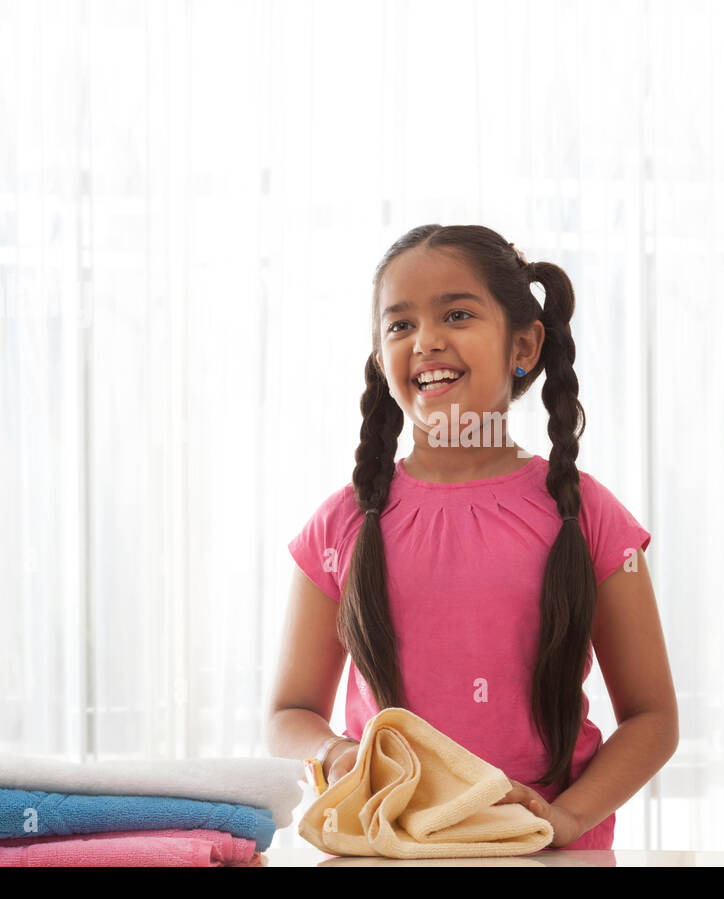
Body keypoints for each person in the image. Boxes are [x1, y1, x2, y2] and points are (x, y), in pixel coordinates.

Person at [266, 224, 678, 850]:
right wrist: (337, 752)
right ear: (381, 359)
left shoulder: (588, 515)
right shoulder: (339, 524)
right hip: (386, 853)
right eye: (400, 325)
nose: (427, 341)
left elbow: (652, 719)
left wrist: (565, 819)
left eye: (456, 314)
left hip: (548, 856)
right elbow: (287, 714)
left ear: (524, 345)